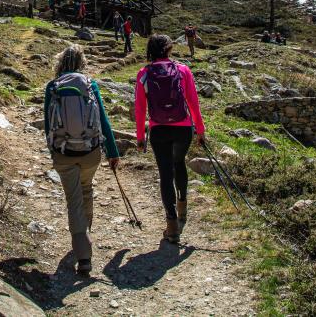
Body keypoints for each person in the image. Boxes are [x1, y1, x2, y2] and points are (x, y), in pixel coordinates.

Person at [43, 45, 121, 276]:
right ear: (82, 62)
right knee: (86, 189)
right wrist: (113, 152)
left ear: (60, 63)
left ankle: (83, 255)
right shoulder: (90, 84)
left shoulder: (52, 87)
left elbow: (48, 123)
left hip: (63, 152)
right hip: (90, 152)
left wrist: (53, 150)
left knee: (73, 199)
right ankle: (85, 232)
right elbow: (103, 121)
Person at [134, 34, 206, 245]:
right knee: (179, 163)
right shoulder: (182, 70)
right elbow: (193, 102)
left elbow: (140, 109)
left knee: (165, 174)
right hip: (183, 128)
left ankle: (172, 225)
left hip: (159, 130)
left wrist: (140, 136)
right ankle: (183, 204)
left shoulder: (144, 73)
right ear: (169, 49)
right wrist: (200, 130)